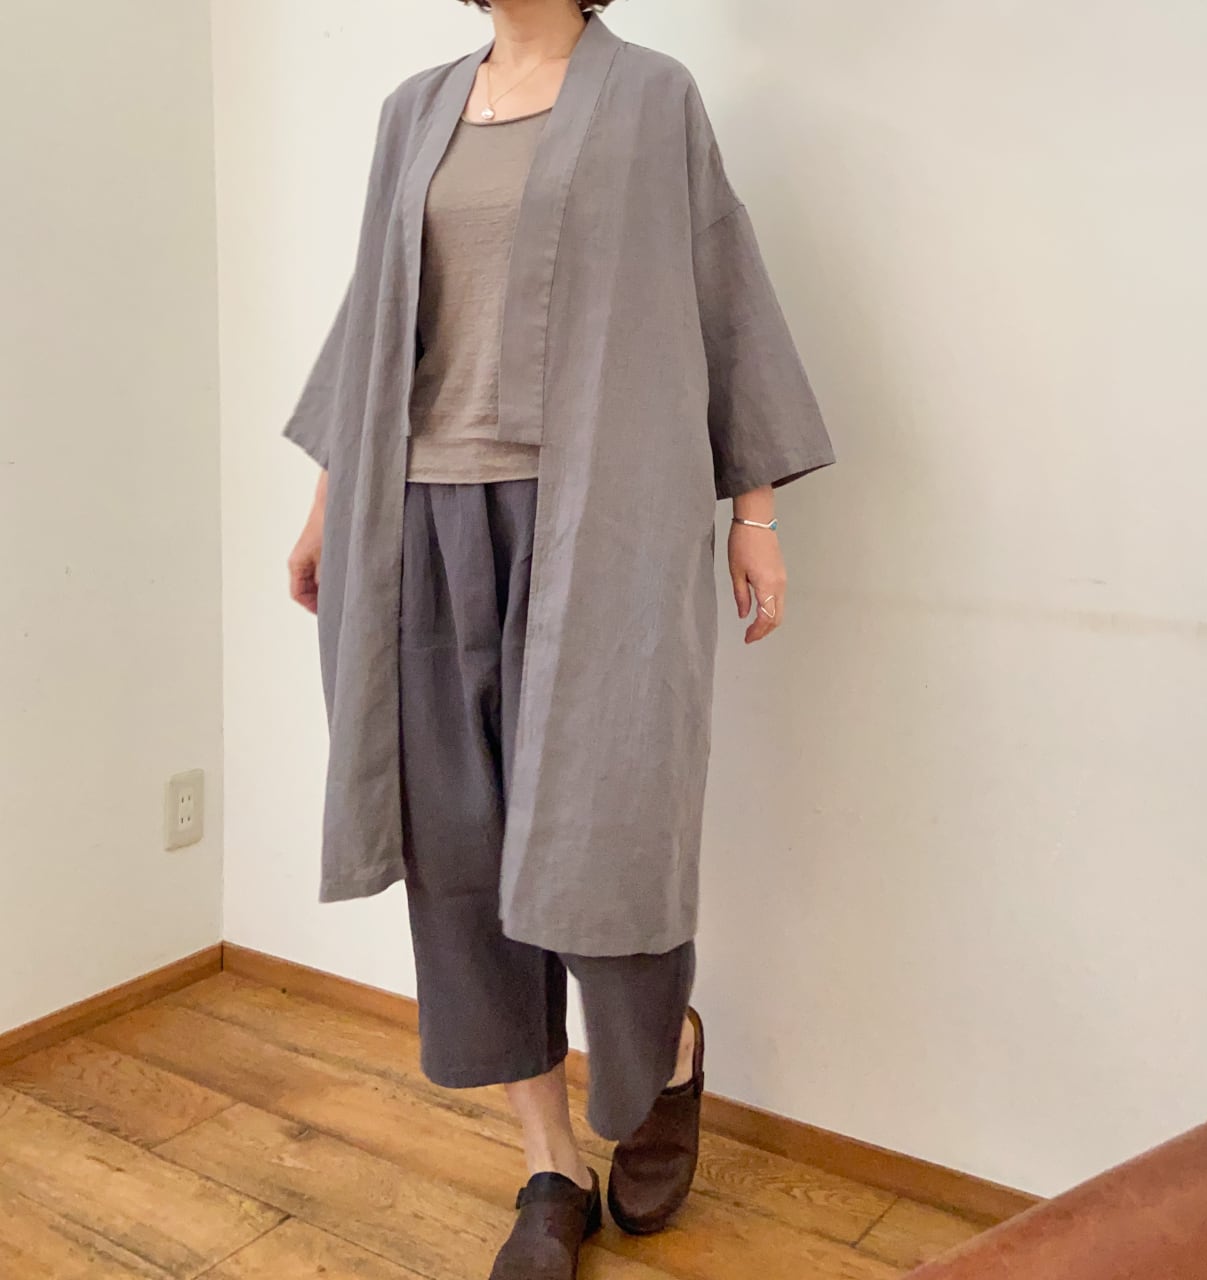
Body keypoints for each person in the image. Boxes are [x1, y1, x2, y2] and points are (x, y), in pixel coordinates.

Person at [284, 1, 835, 1276]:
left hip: (600, 517)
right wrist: (322, 506)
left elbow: (721, 290)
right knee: (455, 847)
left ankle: (661, 1054)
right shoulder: (413, 111)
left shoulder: (650, 96)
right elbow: (375, 319)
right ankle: (547, 1162)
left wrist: (754, 513)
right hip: (417, 517)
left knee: (601, 826)